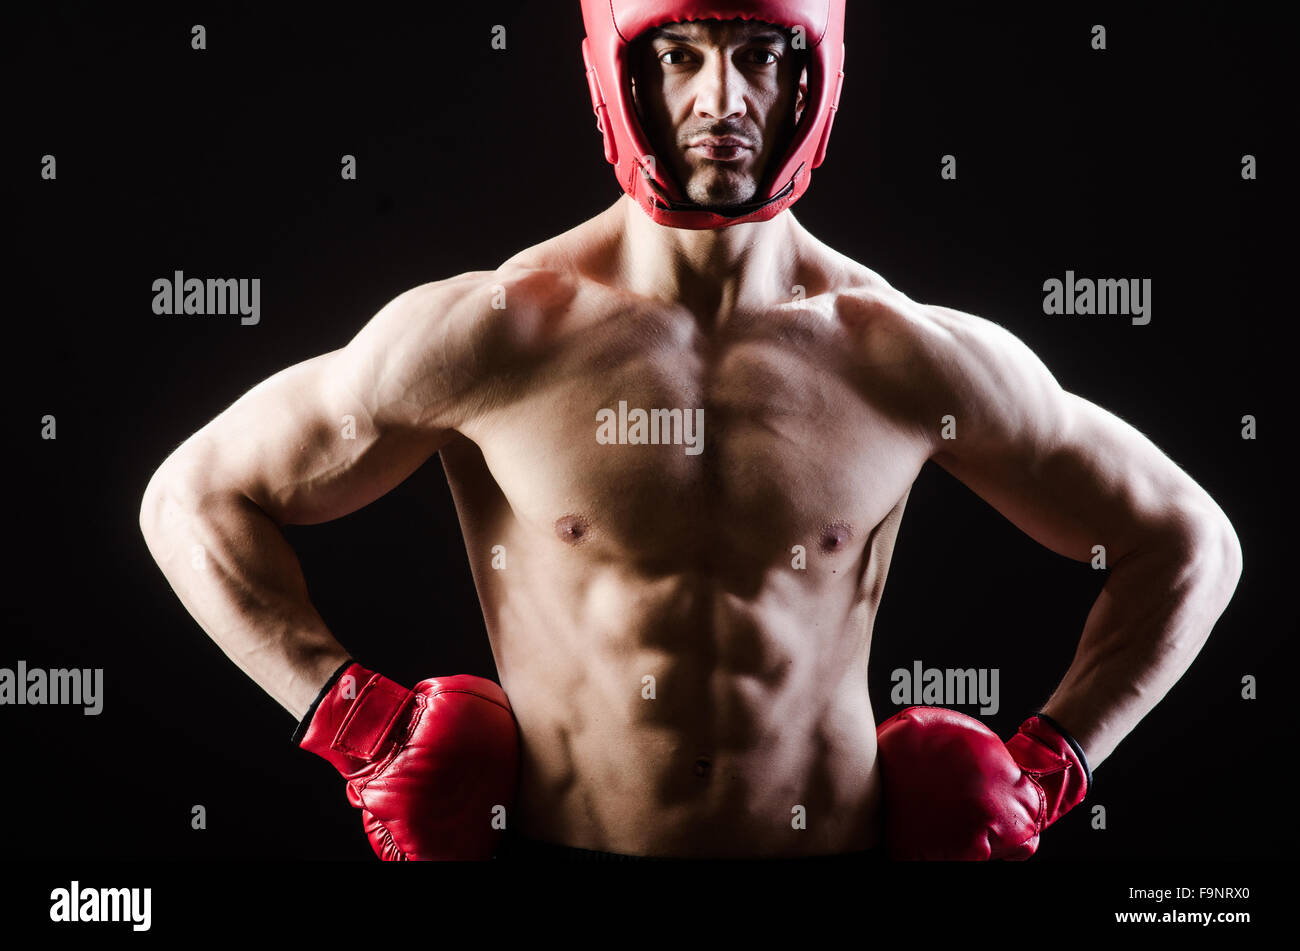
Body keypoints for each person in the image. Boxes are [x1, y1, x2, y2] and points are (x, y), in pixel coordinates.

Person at [138, 1, 1242, 861]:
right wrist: (354, 724)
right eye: (679, 57)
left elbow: (1188, 543)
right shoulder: (495, 332)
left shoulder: (897, 352)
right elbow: (191, 497)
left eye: (759, 56)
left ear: (815, 75)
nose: (721, 97)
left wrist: (1048, 769)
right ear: (616, 77)